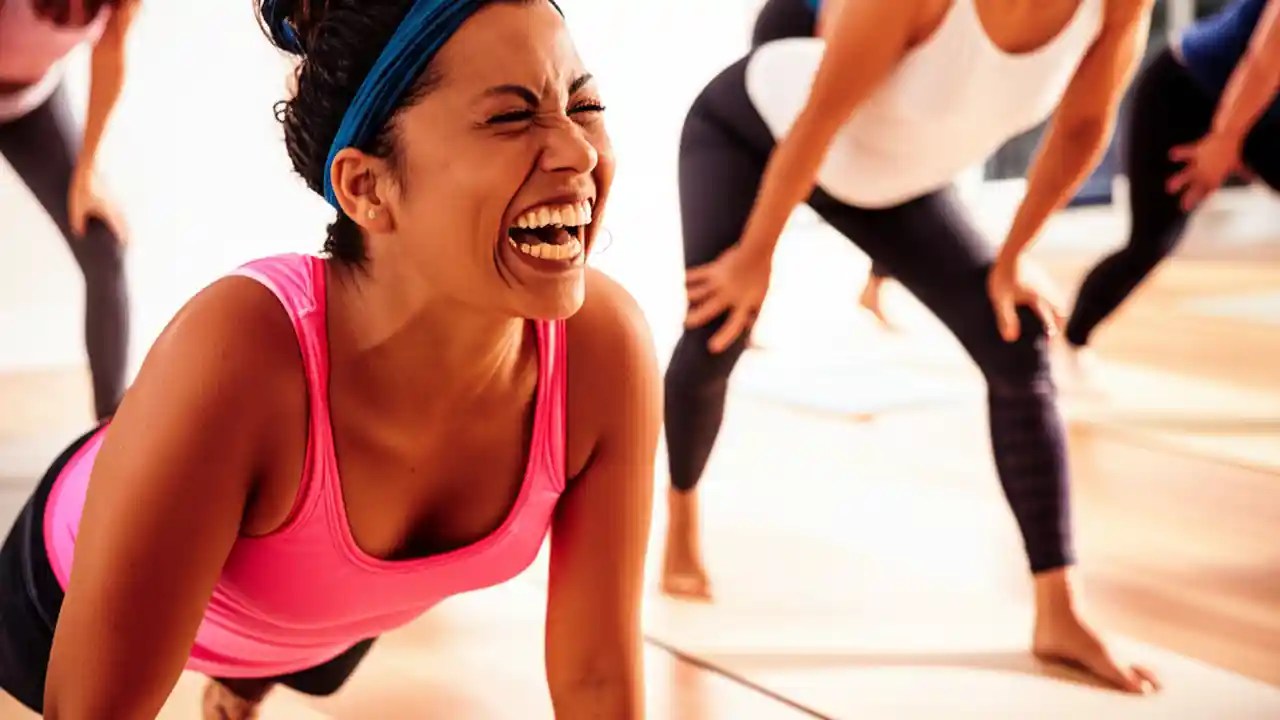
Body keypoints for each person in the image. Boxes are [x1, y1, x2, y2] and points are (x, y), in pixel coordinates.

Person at [0, 0, 660, 718]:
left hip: (321, 616)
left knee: (308, 610)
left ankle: (242, 687)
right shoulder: (238, 354)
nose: (579, 151)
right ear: (367, 187)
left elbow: (598, 681)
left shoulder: (605, 352)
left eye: (584, 103)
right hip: (70, 579)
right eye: (510, 117)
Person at [660, 0, 1163, 694]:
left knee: (1017, 345)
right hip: (755, 130)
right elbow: (817, 118)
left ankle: (1059, 612)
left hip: (890, 180)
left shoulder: (1120, 7)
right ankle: (681, 516)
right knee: (719, 332)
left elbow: (1081, 130)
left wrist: (1012, 258)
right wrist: (756, 254)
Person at [1064, 0, 1280, 361]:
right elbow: (1265, 59)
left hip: (1257, 114)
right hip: (1182, 96)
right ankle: (1069, 344)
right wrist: (1224, 141)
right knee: (1148, 244)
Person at [0, 0, 139, 422]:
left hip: (30, 107)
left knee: (102, 244)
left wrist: (87, 171)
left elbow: (111, 50)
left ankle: (107, 435)